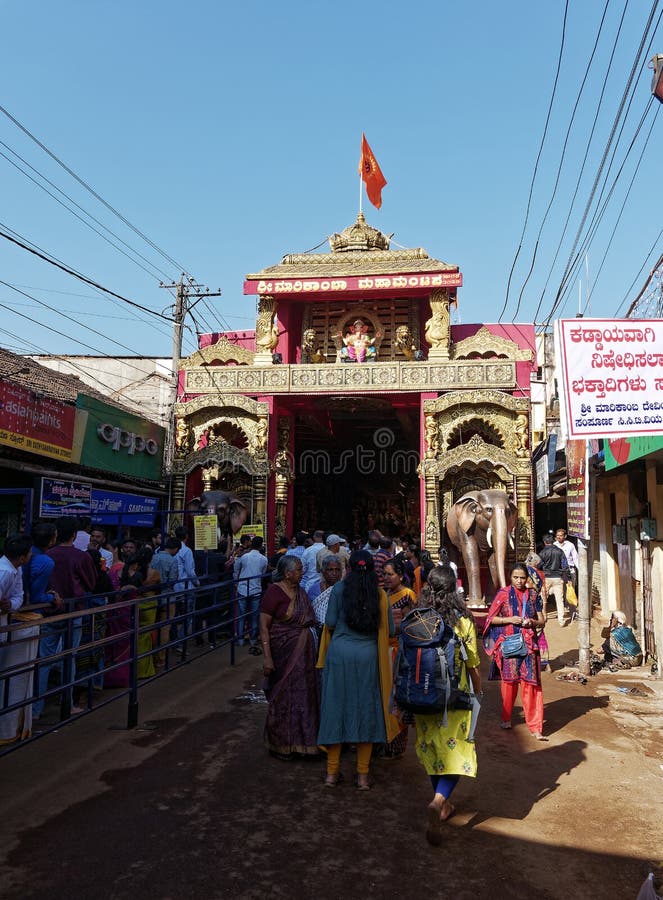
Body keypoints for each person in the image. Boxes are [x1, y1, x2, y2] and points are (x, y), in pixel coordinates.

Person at [317, 550, 400, 789]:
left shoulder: (338, 590)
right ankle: (363, 776)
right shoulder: (380, 595)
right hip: (368, 657)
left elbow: (330, 623)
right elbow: (391, 631)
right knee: (367, 710)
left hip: (340, 654)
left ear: (349, 568)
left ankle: (332, 773)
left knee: (335, 709)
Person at [411, 566, 482, 846]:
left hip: (423, 694)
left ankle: (443, 803)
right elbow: (472, 661)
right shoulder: (463, 621)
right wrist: (478, 690)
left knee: (432, 749)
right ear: (454, 589)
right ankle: (440, 799)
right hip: (455, 696)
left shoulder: (418, 617)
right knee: (457, 752)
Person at [259, 555, 320, 759]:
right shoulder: (274, 592)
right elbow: (264, 627)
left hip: (305, 659)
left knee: (305, 697)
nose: (302, 573)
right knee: (283, 697)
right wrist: (267, 657)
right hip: (282, 652)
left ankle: (304, 743)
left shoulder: (301, 592)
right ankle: (281, 744)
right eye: (299, 570)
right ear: (287, 573)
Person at [483, 563, 546, 740]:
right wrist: (511, 619)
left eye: (522, 578)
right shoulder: (502, 594)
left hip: (529, 646)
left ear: (527, 579)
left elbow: (541, 620)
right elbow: (490, 619)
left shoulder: (533, 596)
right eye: (515, 577)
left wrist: (532, 622)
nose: (519, 581)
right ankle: (506, 718)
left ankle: (535, 726)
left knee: (531, 685)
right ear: (510, 578)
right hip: (509, 645)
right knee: (509, 684)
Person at [0, 534, 37, 744]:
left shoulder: (15, 570)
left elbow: (18, 596)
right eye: (29, 552)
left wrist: (10, 606)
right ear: (22, 556)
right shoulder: (4, 572)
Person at [382, 557, 416, 758]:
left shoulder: (407, 595)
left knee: (396, 699)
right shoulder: (384, 594)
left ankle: (396, 745)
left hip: (398, 653)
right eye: (384, 574)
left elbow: (411, 626)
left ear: (400, 575)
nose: (386, 578)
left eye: (390, 574)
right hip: (383, 650)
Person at [235, 535, 268, 652]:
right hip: (256, 589)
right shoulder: (264, 559)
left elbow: (236, 569)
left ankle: (240, 639)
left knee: (241, 616)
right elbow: (263, 574)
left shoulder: (245, 557)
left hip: (243, 589)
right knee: (254, 616)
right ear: (261, 546)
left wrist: (237, 583)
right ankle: (253, 639)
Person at [538, 533, 568, 626]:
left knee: (543, 598)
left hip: (546, 578)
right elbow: (565, 565)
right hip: (558, 578)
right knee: (559, 599)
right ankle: (561, 620)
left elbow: (539, 565)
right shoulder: (560, 551)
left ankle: (544, 616)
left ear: (544, 542)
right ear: (553, 541)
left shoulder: (542, 552)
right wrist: (564, 574)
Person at [309, 555, 343, 634]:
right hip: (318, 630)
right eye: (330, 570)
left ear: (341, 572)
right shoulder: (314, 590)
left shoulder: (345, 589)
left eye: (337, 570)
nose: (334, 573)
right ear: (323, 572)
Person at [300, 530, 325, 594]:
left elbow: (302, 569)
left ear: (314, 537)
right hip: (325, 586)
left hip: (310, 584)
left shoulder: (308, 550)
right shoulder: (327, 550)